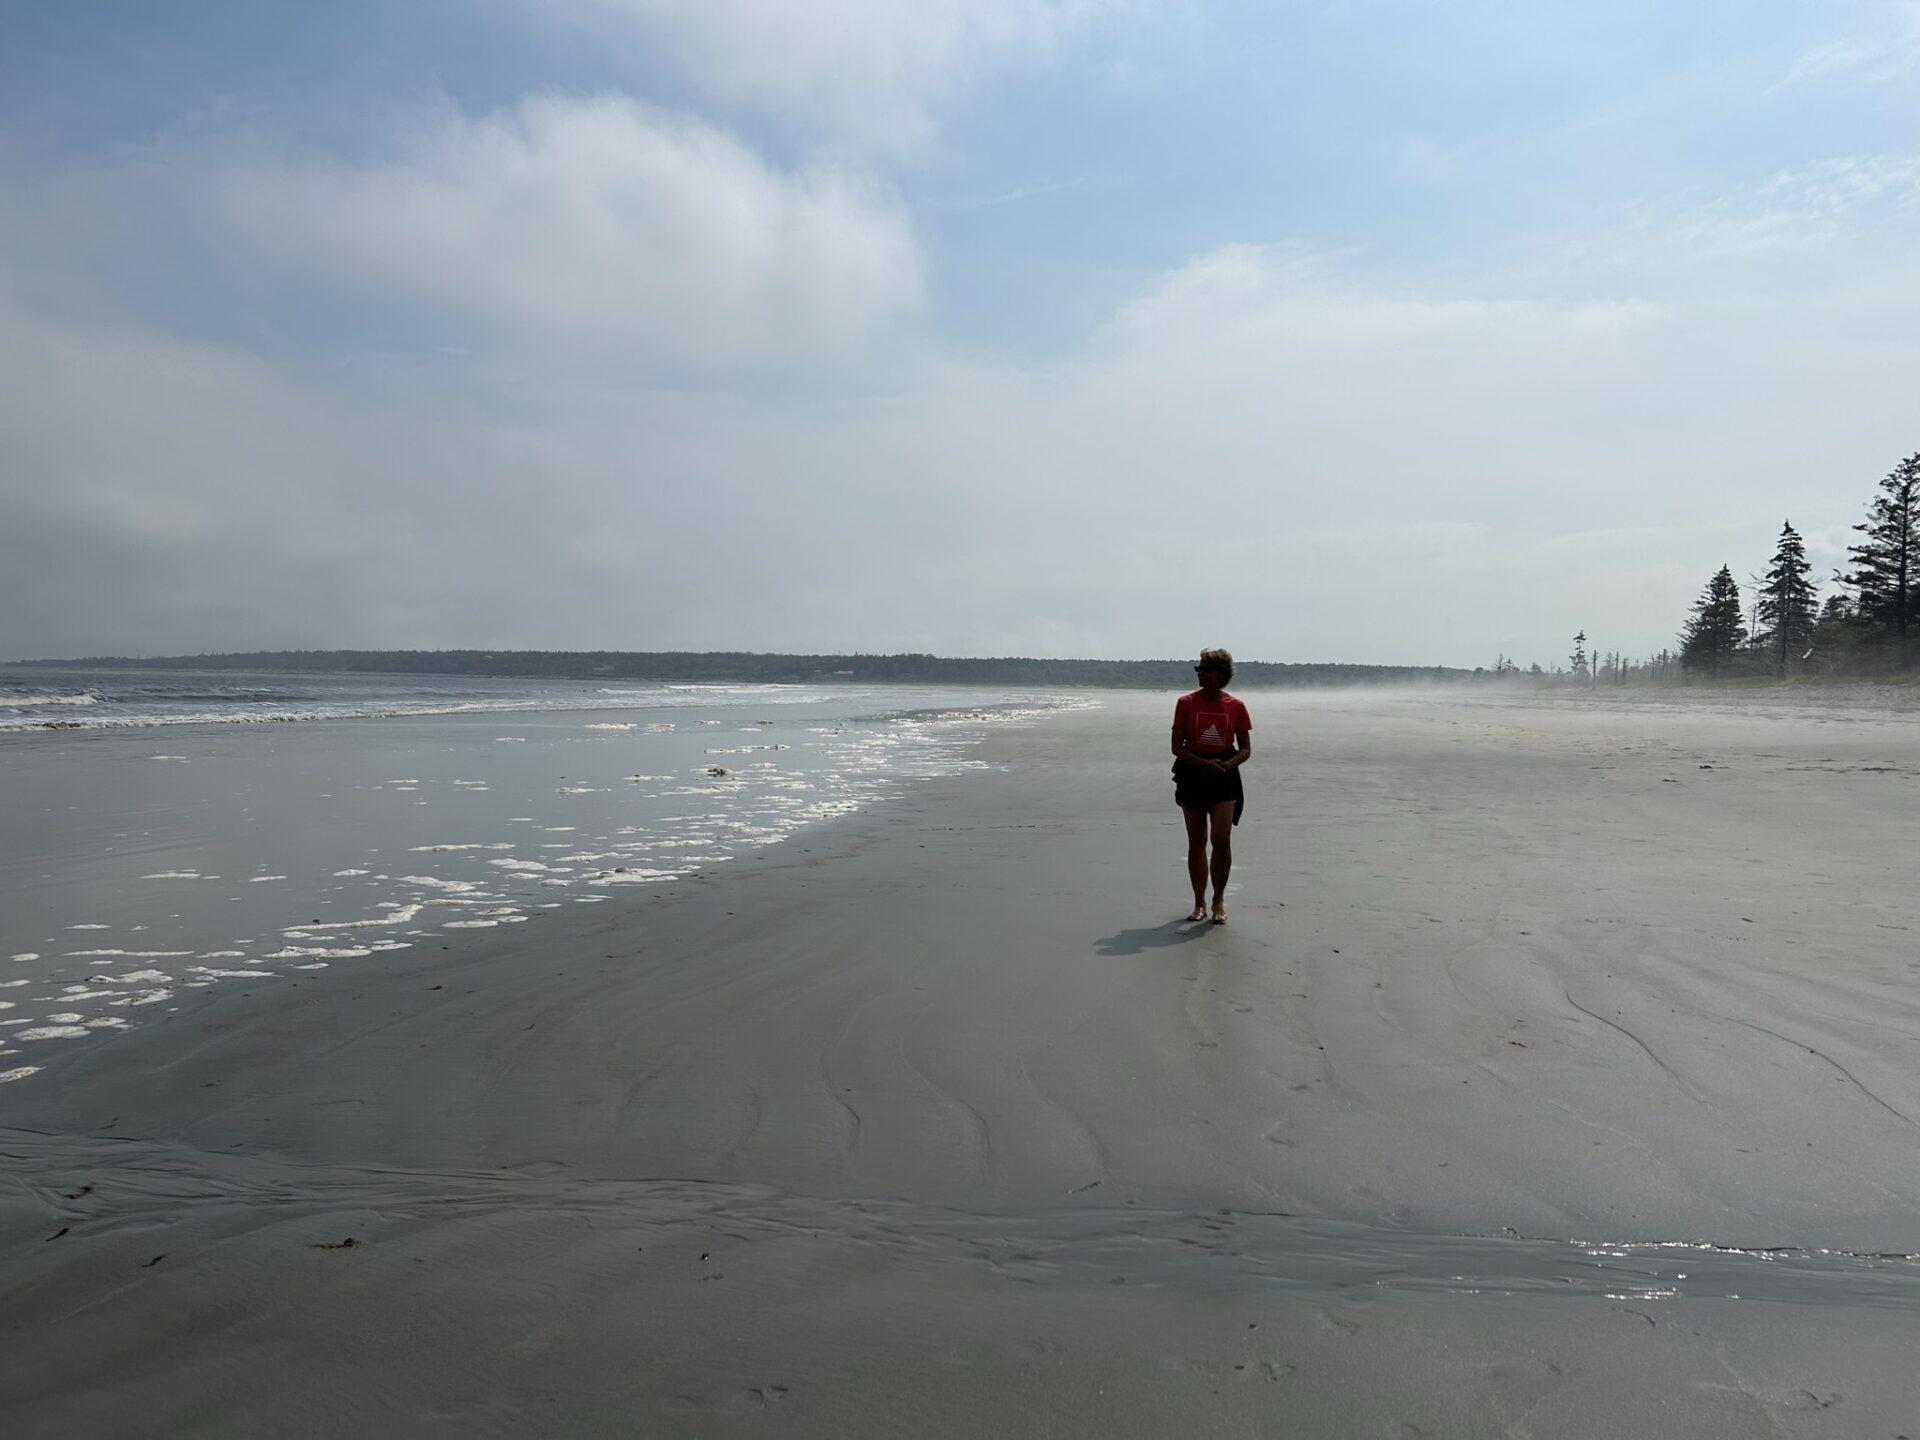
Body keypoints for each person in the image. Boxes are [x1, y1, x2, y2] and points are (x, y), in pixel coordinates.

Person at [1170, 648, 1252, 925]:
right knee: (1197, 840)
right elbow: (1176, 747)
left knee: (1221, 838)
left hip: (1225, 774)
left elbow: (1246, 749)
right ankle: (1199, 902)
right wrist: (1203, 764)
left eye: (1205, 669)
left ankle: (1218, 900)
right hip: (1192, 772)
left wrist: (1227, 765)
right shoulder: (1185, 703)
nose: (1200, 674)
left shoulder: (1236, 706)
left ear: (1221, 674)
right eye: (1198, 669)